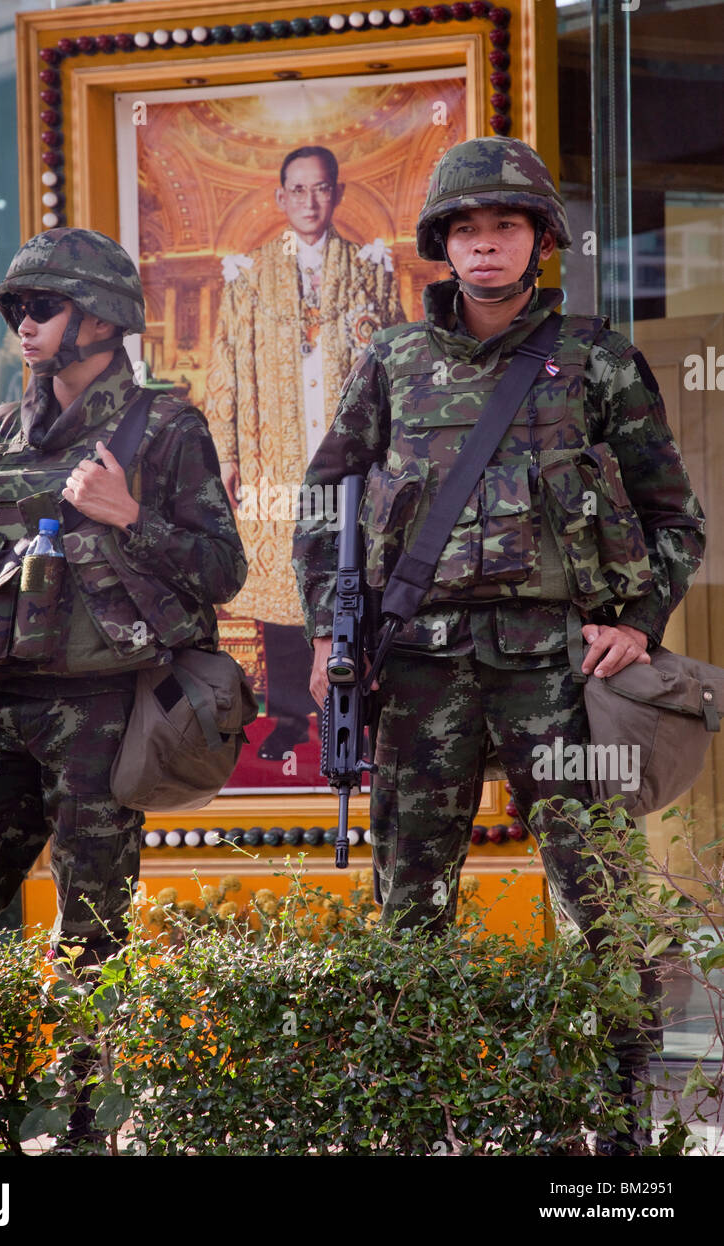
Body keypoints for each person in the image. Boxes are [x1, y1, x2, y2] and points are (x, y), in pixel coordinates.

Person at [292, 136, 706, 1152]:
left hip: (556, 677)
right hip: (420, 672)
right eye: (465, 229)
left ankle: (610, 1135)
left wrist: (633, 620)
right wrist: (323, 626)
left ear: (537, 240)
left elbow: (672, 515)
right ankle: (412, 1128)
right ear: (441, 243)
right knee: (410, 906)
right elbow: (318, 501)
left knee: (597, 907)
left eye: (504, 226)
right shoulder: (390, 361)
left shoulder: (595, 358)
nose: (484, 246)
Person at [0, 227, 247, 967]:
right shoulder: (2, 431)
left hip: (103, 711)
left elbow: (223, 570)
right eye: (16, 309)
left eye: (43, 306)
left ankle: (81, 1090)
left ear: (99, 319)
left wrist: (131, 516)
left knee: (90, 939)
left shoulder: (166, 427)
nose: (24, 325)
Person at [205, 144, 405, 760]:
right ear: (280, 197)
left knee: (357, 574)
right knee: (286, 583)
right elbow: (226, 369)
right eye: (297, 189)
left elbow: (397, 363)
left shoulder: (371, 271)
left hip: (351, 458)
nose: (310, 201)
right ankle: (292, 714)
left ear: (337, 193)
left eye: (321, 189)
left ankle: (365, 708)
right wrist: (227, 452)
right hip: (276, 454)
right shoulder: (250, 276)